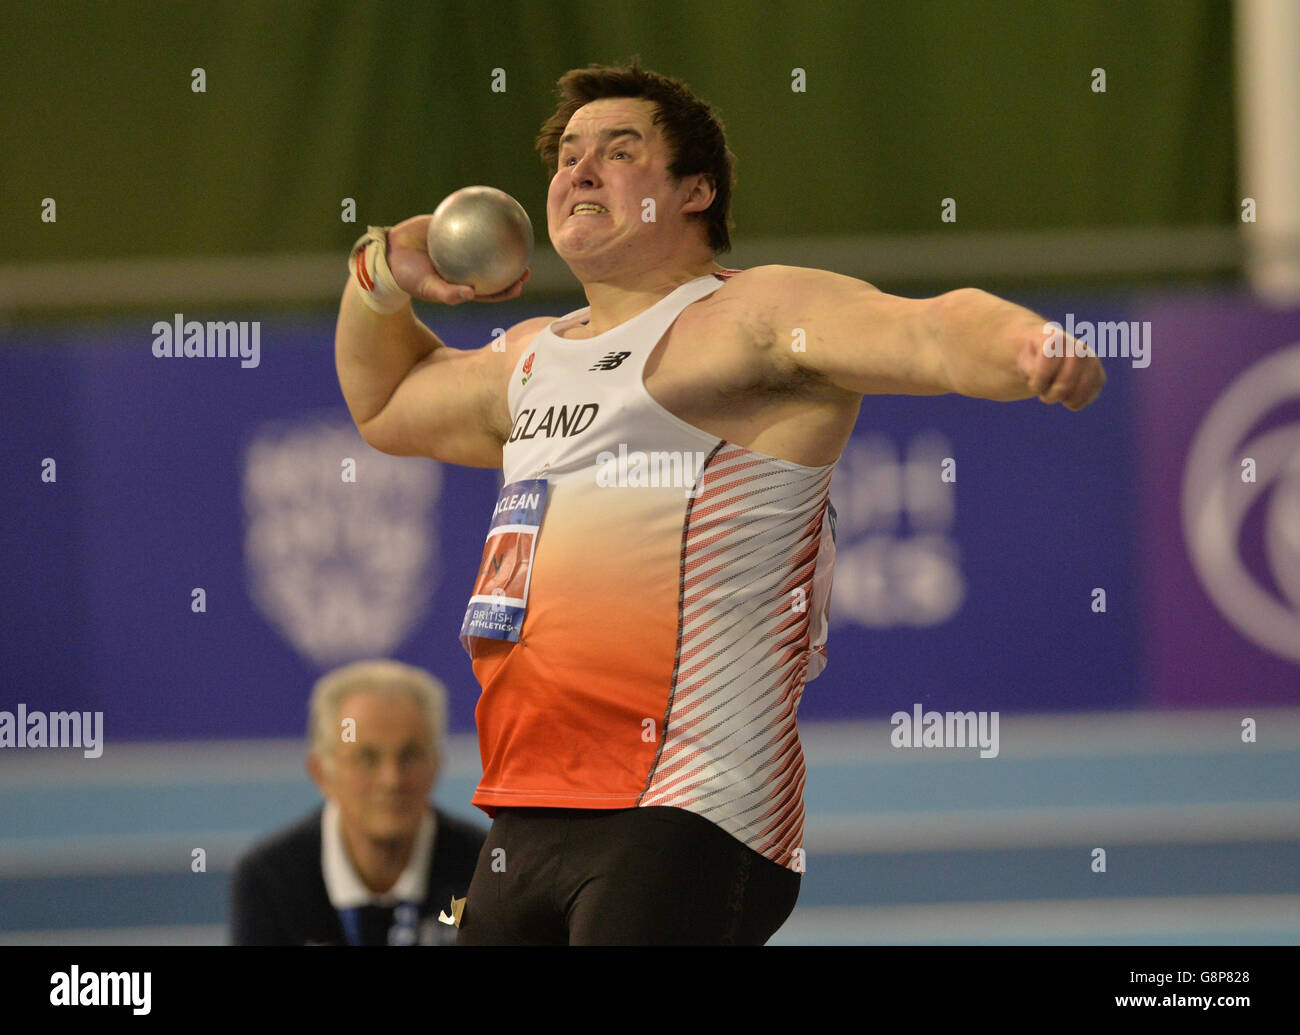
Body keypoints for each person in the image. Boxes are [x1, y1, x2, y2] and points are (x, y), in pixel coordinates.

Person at [333, 60, 1104, 945]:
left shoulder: (755, 319)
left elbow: (928, 327)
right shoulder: (531, 360)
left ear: (695, 189)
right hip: (528, 804)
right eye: (568, 155)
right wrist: (380, 271)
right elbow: (385, 403)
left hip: (687, 803)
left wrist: (1027, 345)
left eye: (618, 152)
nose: (579, 170)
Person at [229, 660, 485, 945]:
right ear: (321, 772)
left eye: (409, 756)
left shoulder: (482, 871)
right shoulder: (271, 879)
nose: (392, 780)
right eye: (367, 758)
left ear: (435, 766)